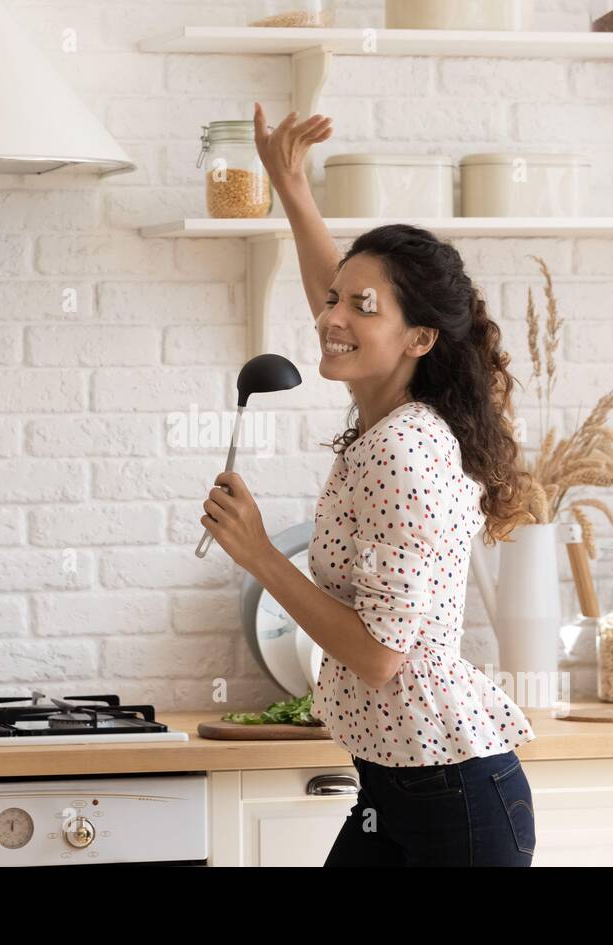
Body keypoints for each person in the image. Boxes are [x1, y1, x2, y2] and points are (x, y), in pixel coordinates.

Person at [200, 102, 539, 866]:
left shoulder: (404, 452)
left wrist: (259, 555)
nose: (331, 319)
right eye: (332, 300)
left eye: (362, 306)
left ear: (418, 338)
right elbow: (346, 303)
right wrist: (292, 187)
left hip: (451, 804)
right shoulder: (393, 409)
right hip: (405, 790)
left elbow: (382, 655)